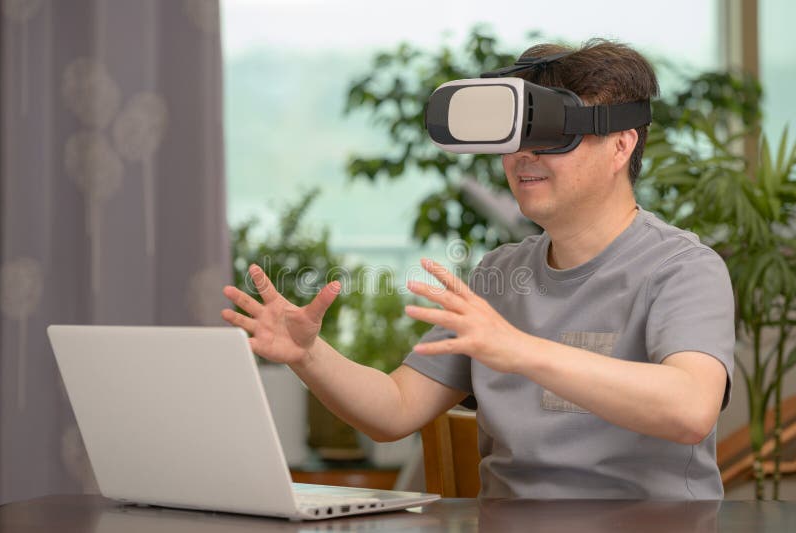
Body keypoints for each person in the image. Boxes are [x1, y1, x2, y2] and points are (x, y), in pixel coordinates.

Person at [221, 39, 734, 499]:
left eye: (552, 135)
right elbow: (395, 409)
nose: (522, 157)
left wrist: (519, 350)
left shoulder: (682, 269)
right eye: (514, 137)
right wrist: (308, 355)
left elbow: (690, 409)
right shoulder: (498, 273)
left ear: (621, 144)